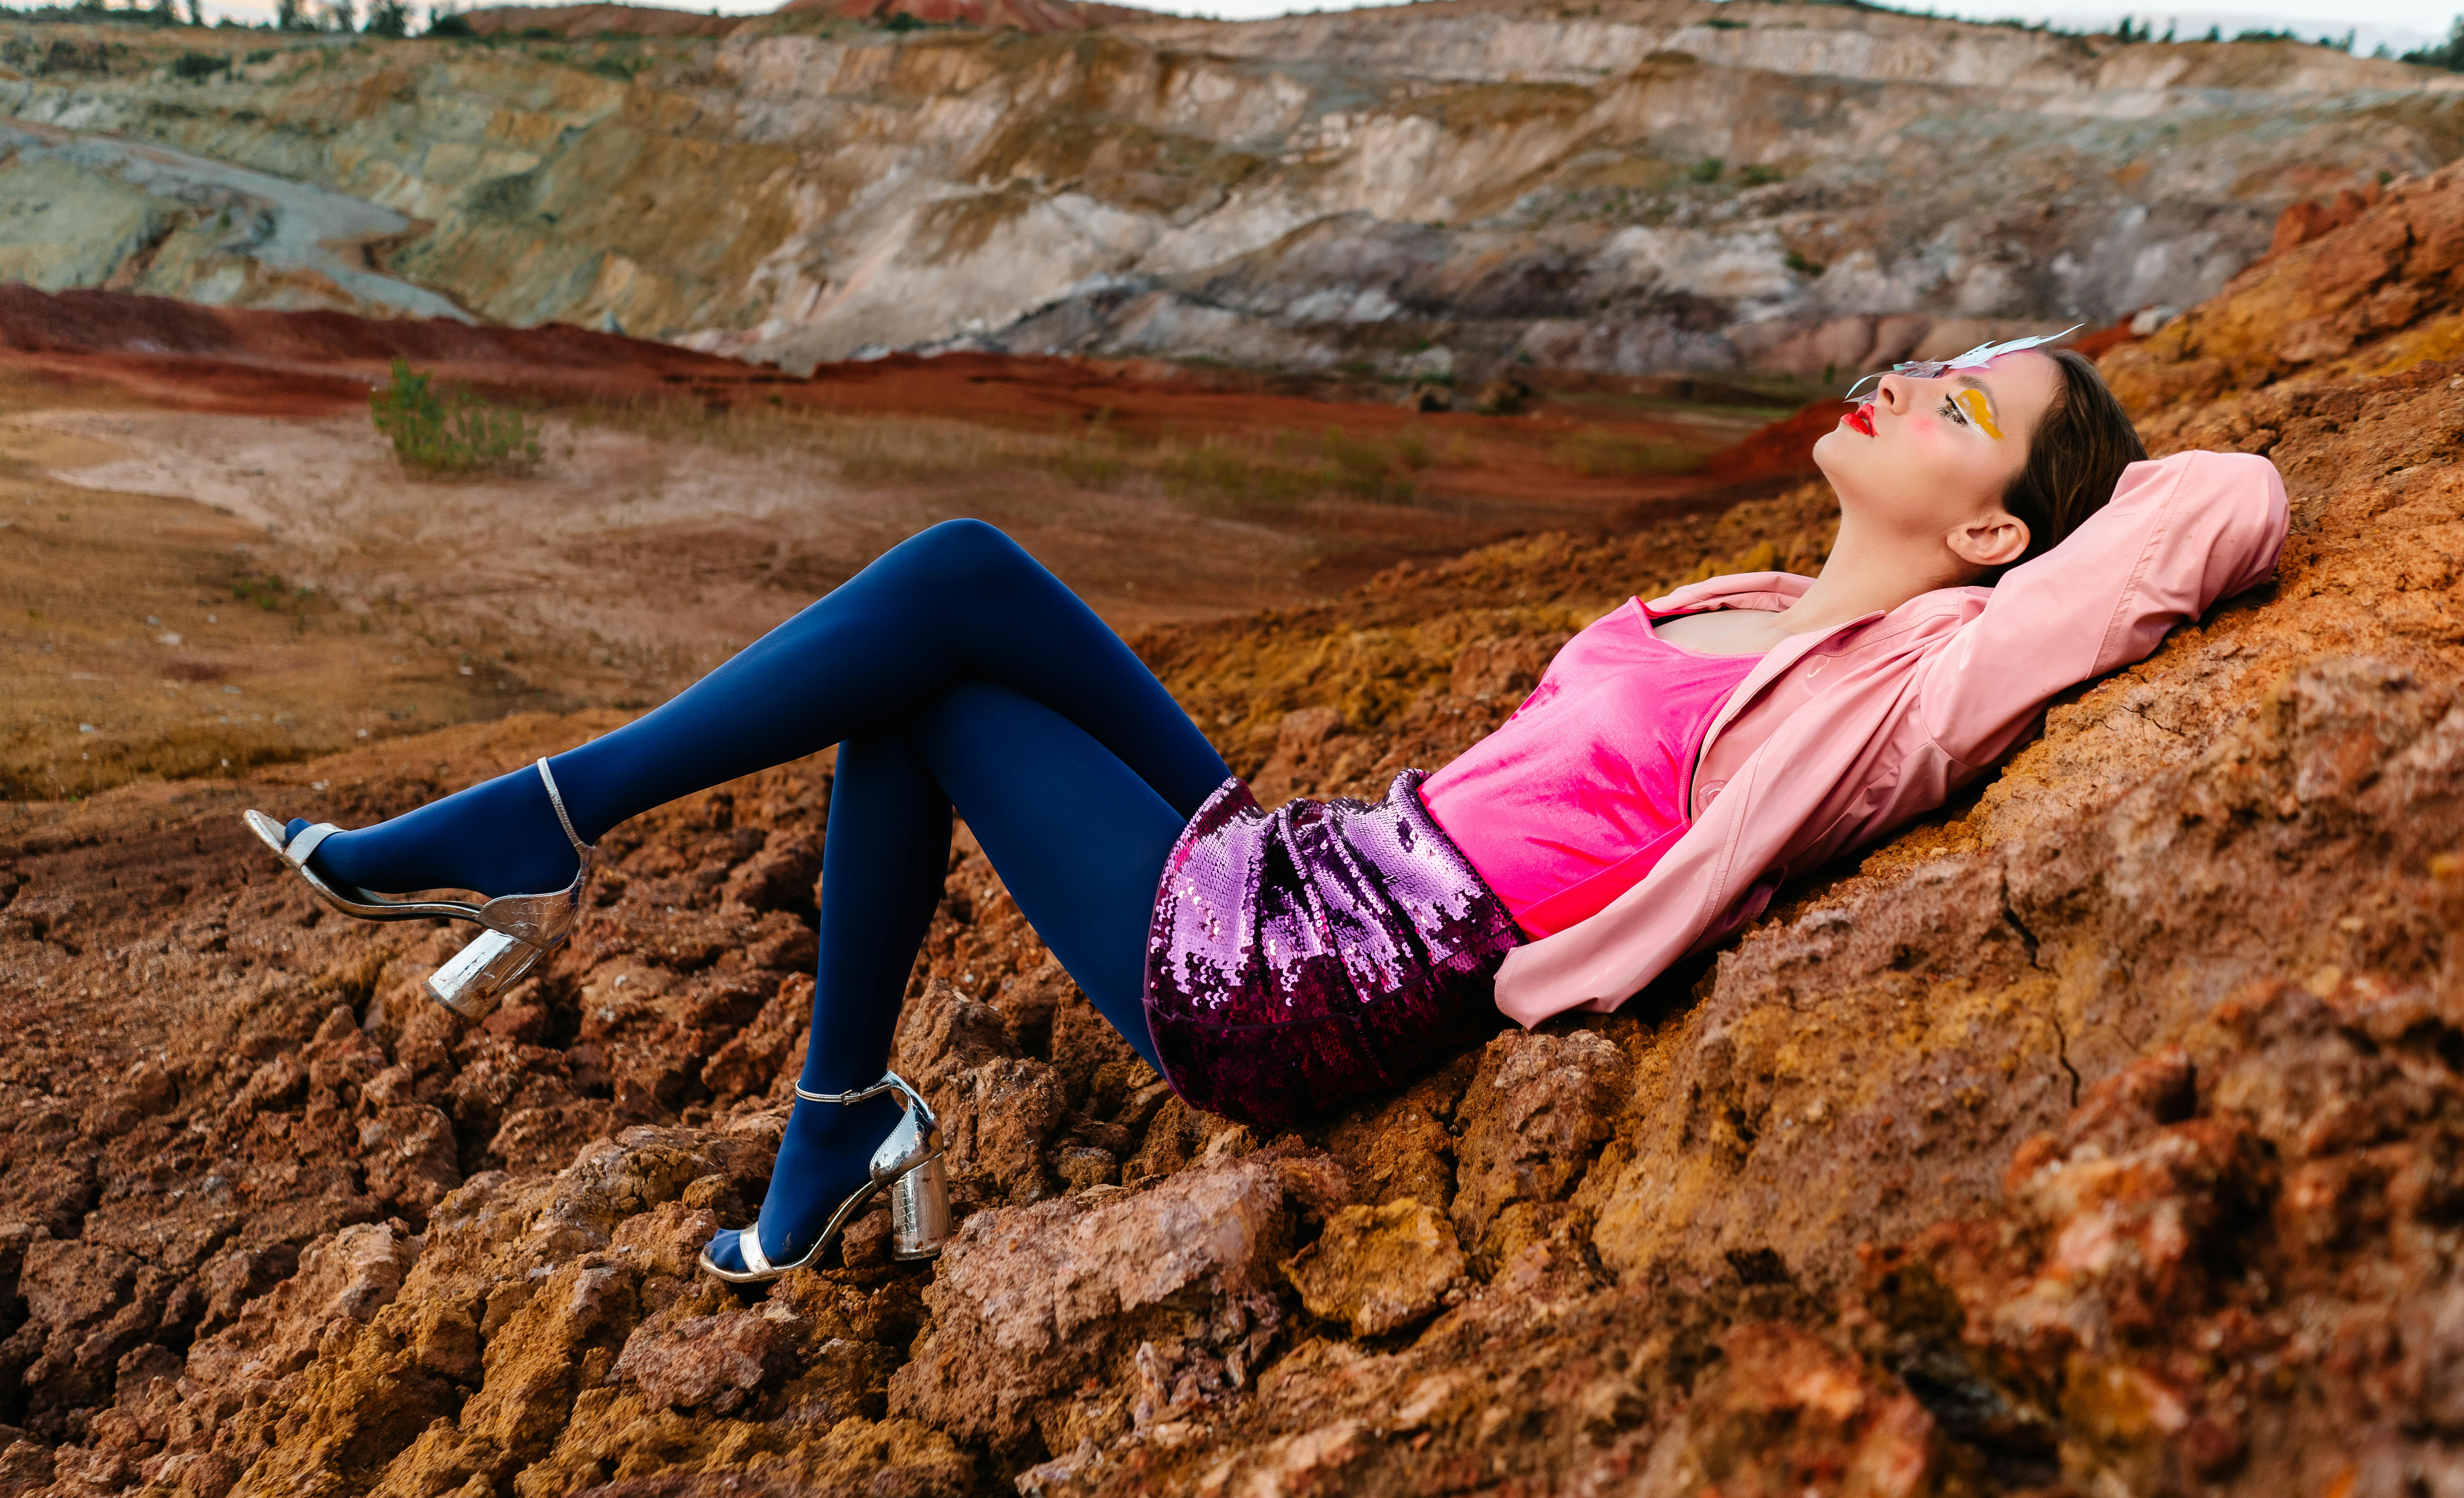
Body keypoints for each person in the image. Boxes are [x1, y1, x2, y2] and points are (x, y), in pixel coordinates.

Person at [245, 333, 2289, 1284]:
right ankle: (830, 1128)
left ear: (2007, 522)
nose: (1913, 374)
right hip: (1305, 861)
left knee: (943, 612)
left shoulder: (1901, 689)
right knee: (940, 626)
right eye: (1938, 357)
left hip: (1291, 985)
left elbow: (2219, 505)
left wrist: (2065, 524)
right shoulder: (1755, 605)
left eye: (1965, 403)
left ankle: (543, 836)